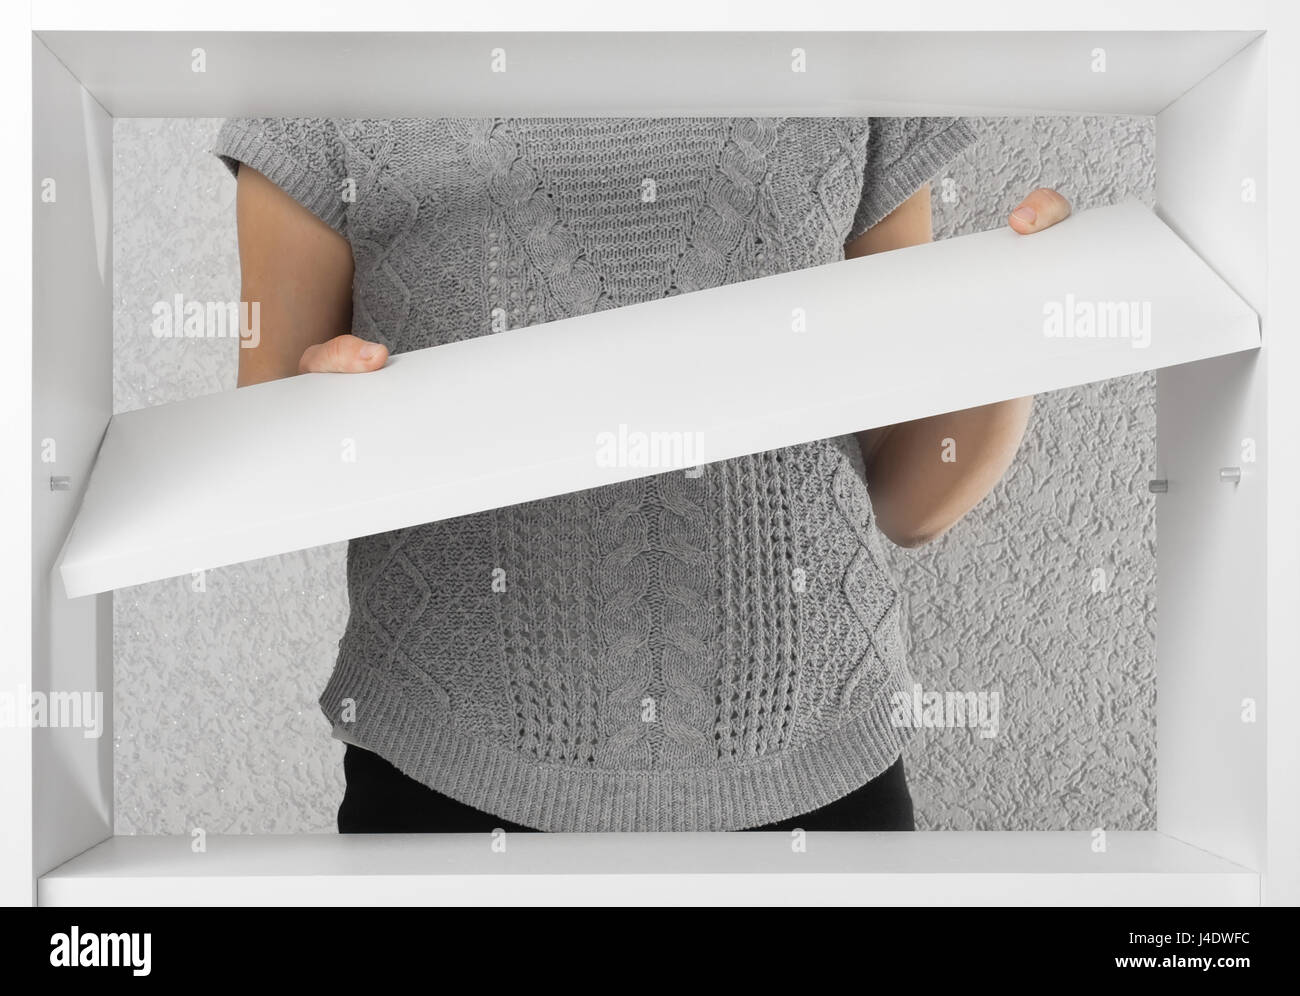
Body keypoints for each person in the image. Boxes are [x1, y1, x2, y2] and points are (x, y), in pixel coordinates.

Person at [213, 117, 1070, 832]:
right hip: (446, 776)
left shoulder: (847, 39)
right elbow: (270, 468)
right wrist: (323, 422)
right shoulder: (323, 53)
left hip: (821, 770)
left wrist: (1022, 333)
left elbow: (907, 498)